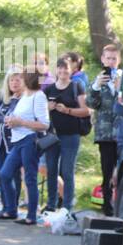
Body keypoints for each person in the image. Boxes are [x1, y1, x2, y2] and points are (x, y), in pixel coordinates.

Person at [0, 68, 49, 225]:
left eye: (22, 78)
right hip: (18, 140)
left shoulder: (38, 97)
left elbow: (44, 124)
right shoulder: (25, 95)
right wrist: (11, 120)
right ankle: (11, 210)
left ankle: (31, 215)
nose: (19, 81)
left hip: (30, 141)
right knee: (4, 174)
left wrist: (21, 122)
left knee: (30, 178)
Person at [43, 55, 89, 212]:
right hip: (51, 135)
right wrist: (47, 108)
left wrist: (67, 110)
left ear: (71, 70)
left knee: (67, 171)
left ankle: (67, 206)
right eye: (60, 68)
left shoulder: (77, 87)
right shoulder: (48, 89)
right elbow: (38, 113)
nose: (62, 71)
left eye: (66, 68)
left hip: (71, 134)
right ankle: (51, 204)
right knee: (51, 170)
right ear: (56, 70)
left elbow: (85, 111)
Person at [87, 44, 123, 215]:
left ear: (119, 60)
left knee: (122, 170)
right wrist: (95, 87)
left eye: (114, 59)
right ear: (102, 59)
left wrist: (119, 89)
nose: (111, 61)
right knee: (107, 170)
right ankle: (107, 205)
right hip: (105, 133)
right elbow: (91, 103)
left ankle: (121, 203)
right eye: (108, 58)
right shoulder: (98, 80)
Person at [0, 66, 22, 200]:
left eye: (17, 80)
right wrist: (3, 119)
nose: (14, 83)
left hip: (14, 142)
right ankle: (4, 204)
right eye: (11, 80)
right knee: (0, 173)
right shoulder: (4, 97)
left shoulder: (25, 99)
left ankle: (14, 202)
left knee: (13, 174)